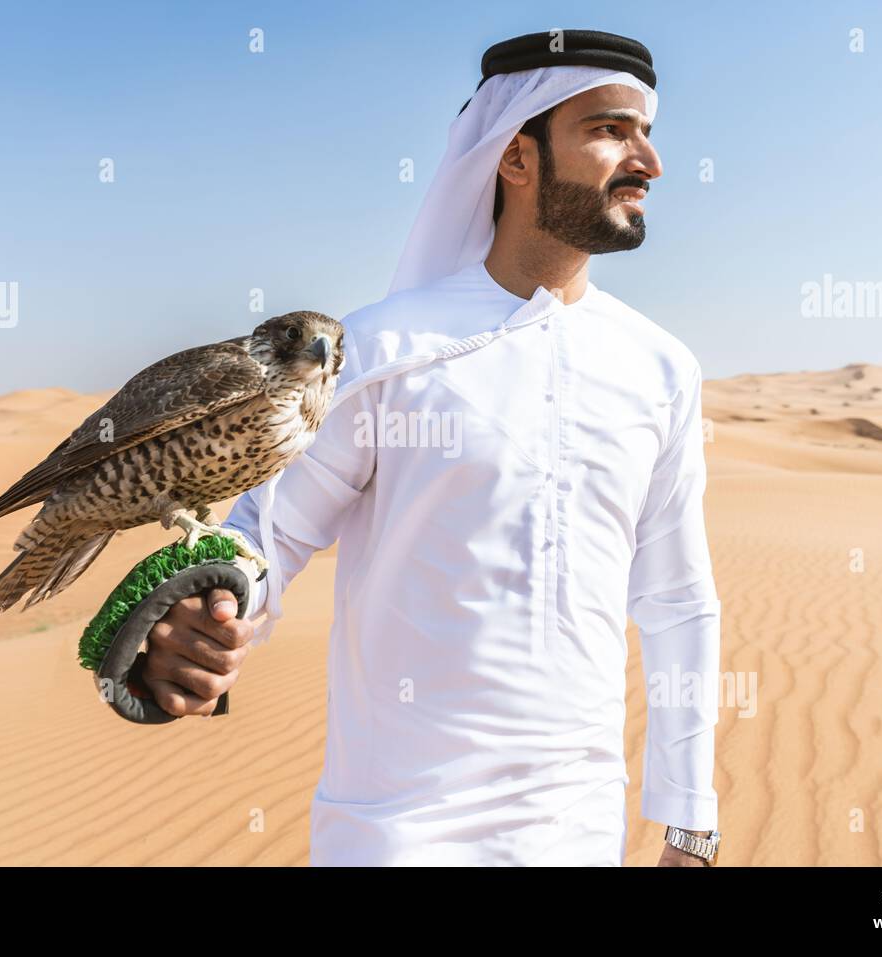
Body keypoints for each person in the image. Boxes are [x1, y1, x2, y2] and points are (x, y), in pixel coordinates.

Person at [138, 29, 722, 867]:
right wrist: (207, 611)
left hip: (580, 830)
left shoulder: (661, 369)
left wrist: (691, 821)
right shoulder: (378, 350)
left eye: (647, 132)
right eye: (609, 130)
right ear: (516, 159)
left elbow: (677, 599)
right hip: (394, 832)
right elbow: (267, 536)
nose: (648, 161)